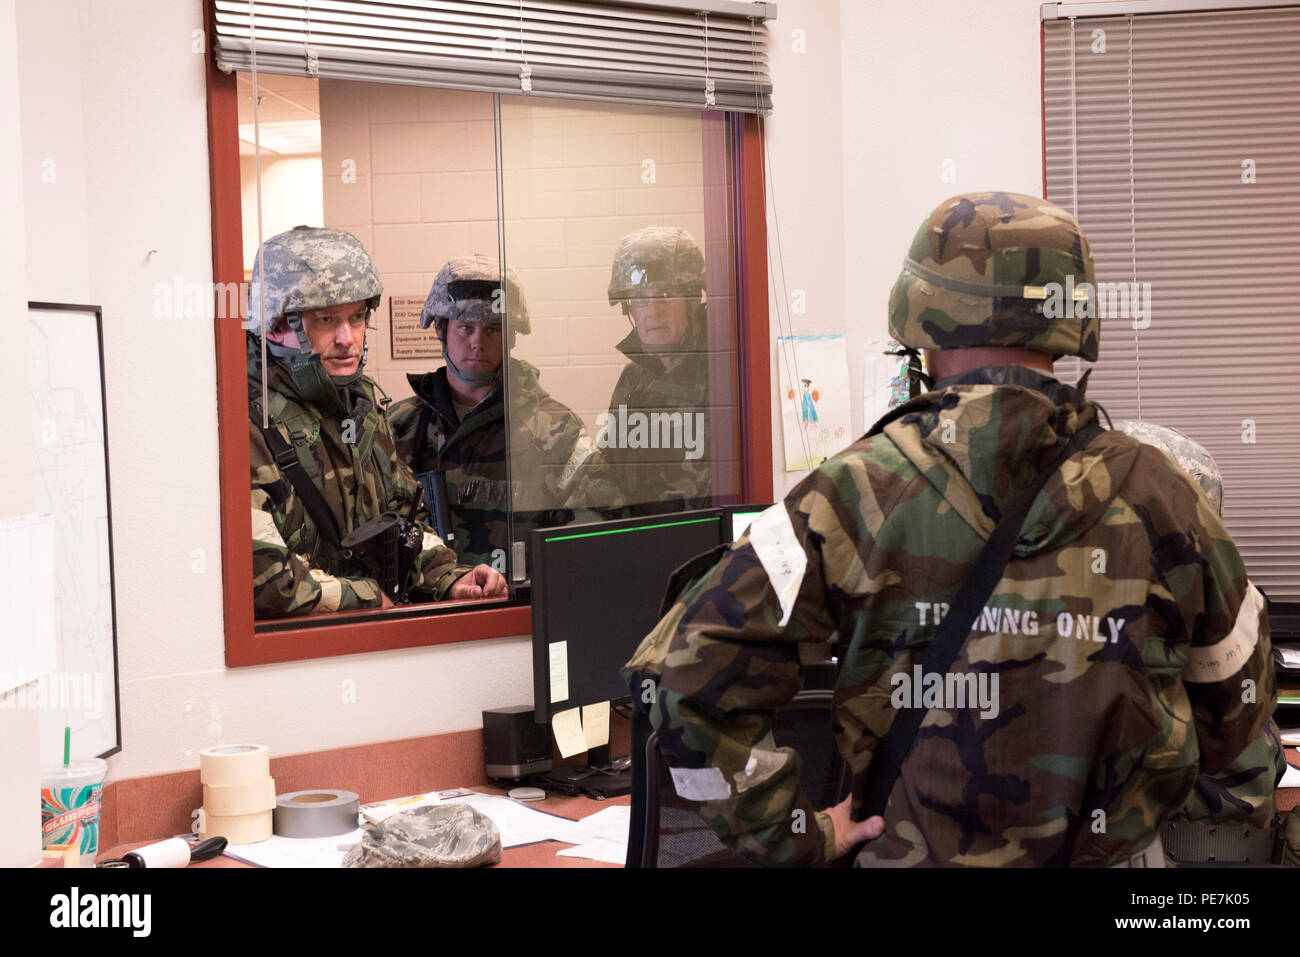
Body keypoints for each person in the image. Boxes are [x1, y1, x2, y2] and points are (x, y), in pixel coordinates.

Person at [624, 192, 1283, 867]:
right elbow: (1244, 717)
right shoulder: (1162, 492)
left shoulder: (851, 489)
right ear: (1072, 322)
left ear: (922, 317)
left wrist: (795, 831)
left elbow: (682, 681)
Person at [246, 226, 506, 618]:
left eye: (356, 318)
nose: (348, 338)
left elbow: (403, 519)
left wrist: (450, 578)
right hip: (287, 662)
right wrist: (365, 598)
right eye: (325, 320)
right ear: (276, 325)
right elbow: (265, 580)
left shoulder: (360, 404)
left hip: (371, 650)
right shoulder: (242, 420)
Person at [389, 255, 623, 572]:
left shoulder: (555, 428)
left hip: (519, 611)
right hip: (427, 613)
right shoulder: (400, 425)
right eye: (465, 328)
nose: (477, 342)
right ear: (441, 331)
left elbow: (596, 522)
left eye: (492, 329)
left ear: (510, 337)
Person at [600, 226, 714, 513]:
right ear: (629, 309)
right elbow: (609, 468)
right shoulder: (632, 380)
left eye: (665, 294)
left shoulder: (723, 377)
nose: (653, 310)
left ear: (691, 300)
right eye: (640, 298)